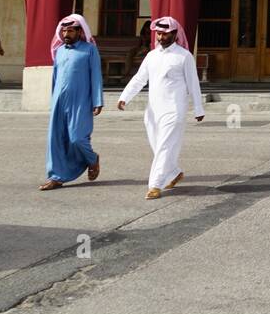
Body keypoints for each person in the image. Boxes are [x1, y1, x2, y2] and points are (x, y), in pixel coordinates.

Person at [118, 16, 204, 200]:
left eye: (165, 34)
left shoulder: (184, 56)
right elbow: (140, 79)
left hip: (174, 110)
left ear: (174, 34)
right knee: (159, 147)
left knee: (164, 146)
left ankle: (155, 185)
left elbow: (193, 84)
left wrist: (198, 108)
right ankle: (173, 173)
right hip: (153, 111)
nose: (161, 37)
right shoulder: (151, 56)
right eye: (158, 34)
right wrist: (125, 97)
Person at [39, 14, 103, 191]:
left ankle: (92, 159)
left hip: (81, 101)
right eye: (64, 30)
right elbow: (55, 78)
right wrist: (53, 101)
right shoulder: (59, 51)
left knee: (76, 138)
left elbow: (96, 76)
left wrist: (97, 101)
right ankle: (56, 177)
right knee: (56, 140)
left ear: (79, 32)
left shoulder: (89, 49)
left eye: (70, 30)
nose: (66, 33)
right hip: (59, 102)